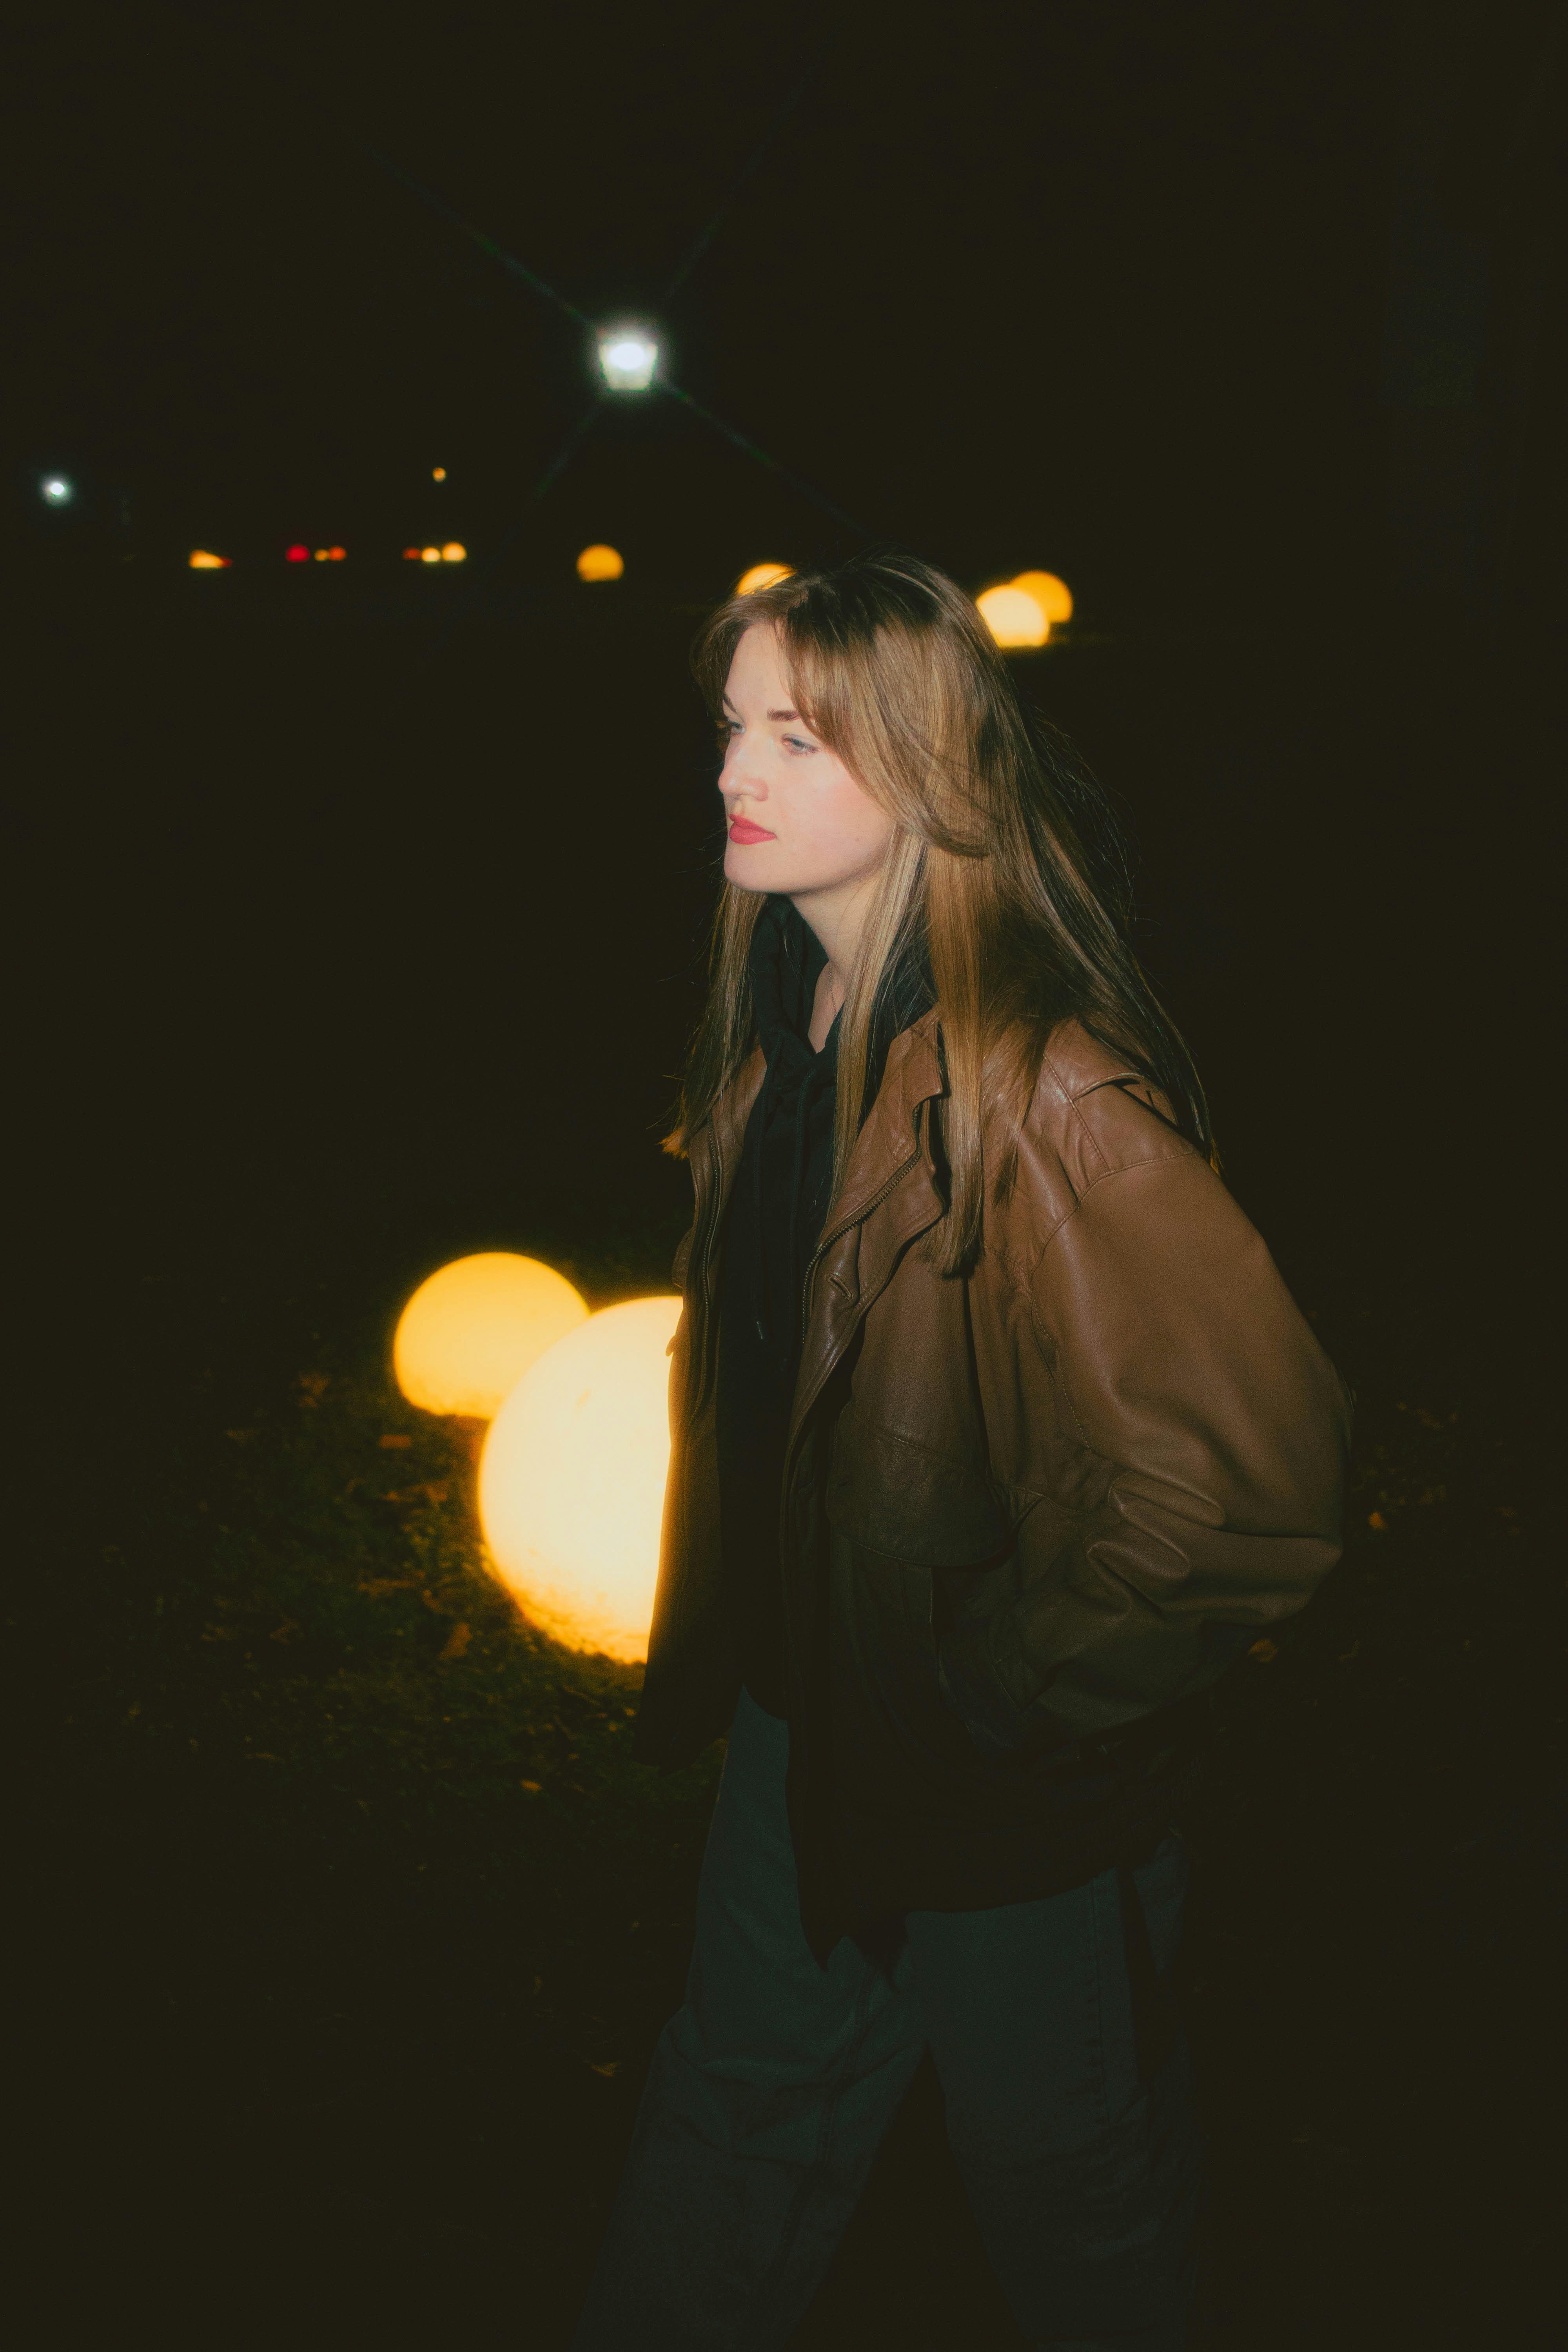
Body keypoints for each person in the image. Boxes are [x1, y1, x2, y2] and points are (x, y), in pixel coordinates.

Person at [572, 553, 1350, 2351]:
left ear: (927, 774)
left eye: (794, 735)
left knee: (1072, 2197)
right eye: (728, 726)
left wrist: (992, 1691)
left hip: (1006, 1794)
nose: (731, 774)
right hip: (797, 1729)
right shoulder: (784, 1041)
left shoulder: (1044, 1092)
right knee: (733, 2122)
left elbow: (1245, 1490)